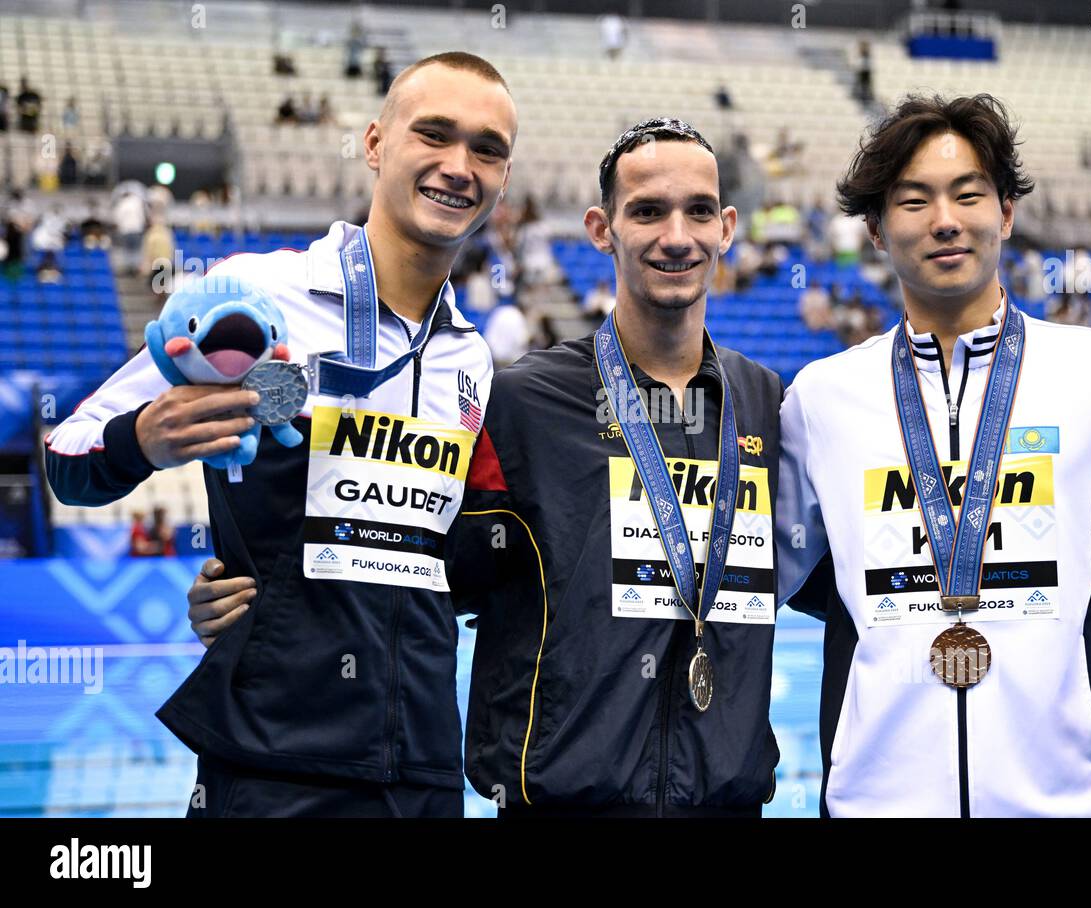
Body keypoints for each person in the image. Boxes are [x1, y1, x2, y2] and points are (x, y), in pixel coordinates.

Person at [44, 52, 516, 818]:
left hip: (423, 765)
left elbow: (441, 560)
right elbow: (68, 451)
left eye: (487, 149)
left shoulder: (473, 354)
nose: (459, 165)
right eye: (434, 134)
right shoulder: (254, 296)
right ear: (374, 143)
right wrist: (145, 438)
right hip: (272, 762)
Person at [776, 94, 1091, 818]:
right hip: (875, 802)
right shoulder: (821, 399)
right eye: (913, 201)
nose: (945, 220)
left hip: (1071, 801)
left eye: (969, 195)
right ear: (874, 228)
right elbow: (754, 578)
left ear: (1006, 213)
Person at [444, 117, 783, 817]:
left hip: (726, 801)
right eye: (648, 211)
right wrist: (255, 589)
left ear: (727, 227)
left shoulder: (766, 404)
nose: (676, 237)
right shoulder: (525, 404)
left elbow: (834, 580)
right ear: (602, 228)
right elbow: (437, 575)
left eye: (697, 212)